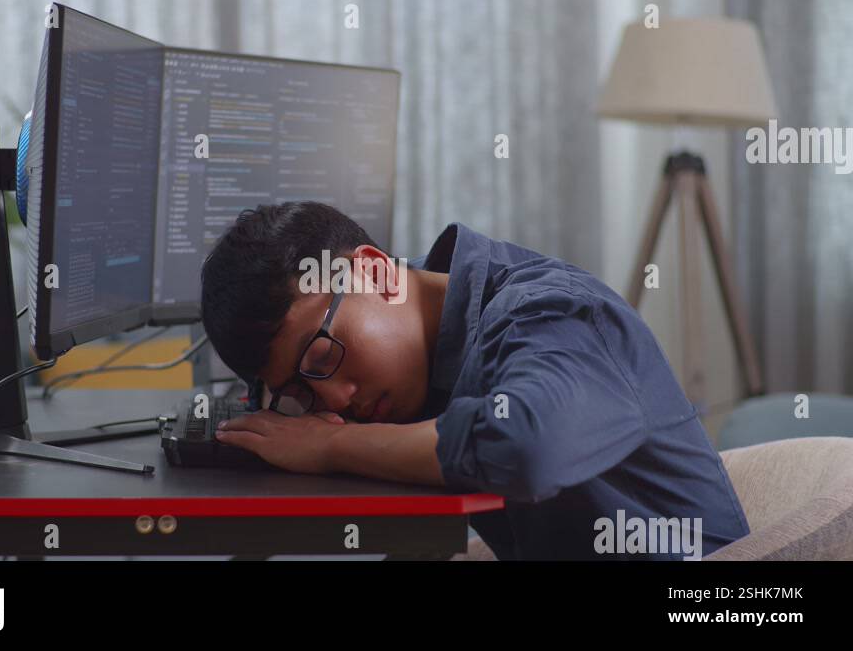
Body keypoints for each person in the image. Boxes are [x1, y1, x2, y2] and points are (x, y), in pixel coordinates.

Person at [200, 201, 749, 560]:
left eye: (321, 357)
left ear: (375, 273)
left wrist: (334, 444)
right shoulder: (422, 344)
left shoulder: (548, 311)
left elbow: (529, 445)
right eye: (303, 393)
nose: (338, 400)